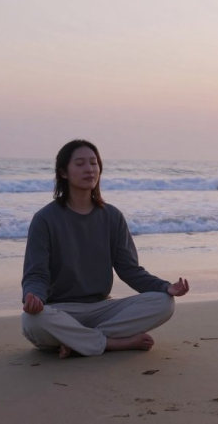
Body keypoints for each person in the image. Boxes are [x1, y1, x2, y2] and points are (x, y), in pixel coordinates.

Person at [21, 139, 189, 357]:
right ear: (63, 172)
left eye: (93, 163)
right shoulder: (45, 219)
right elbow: (36, 274)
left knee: (164, 303)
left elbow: (130, 270)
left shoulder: (112, 216)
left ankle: (78, 341)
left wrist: (165, 287)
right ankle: (113, 343)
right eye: (80, 163)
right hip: (61, 310)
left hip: (102, 309)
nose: (89, 169)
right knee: (32, 320)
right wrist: (33, 298)